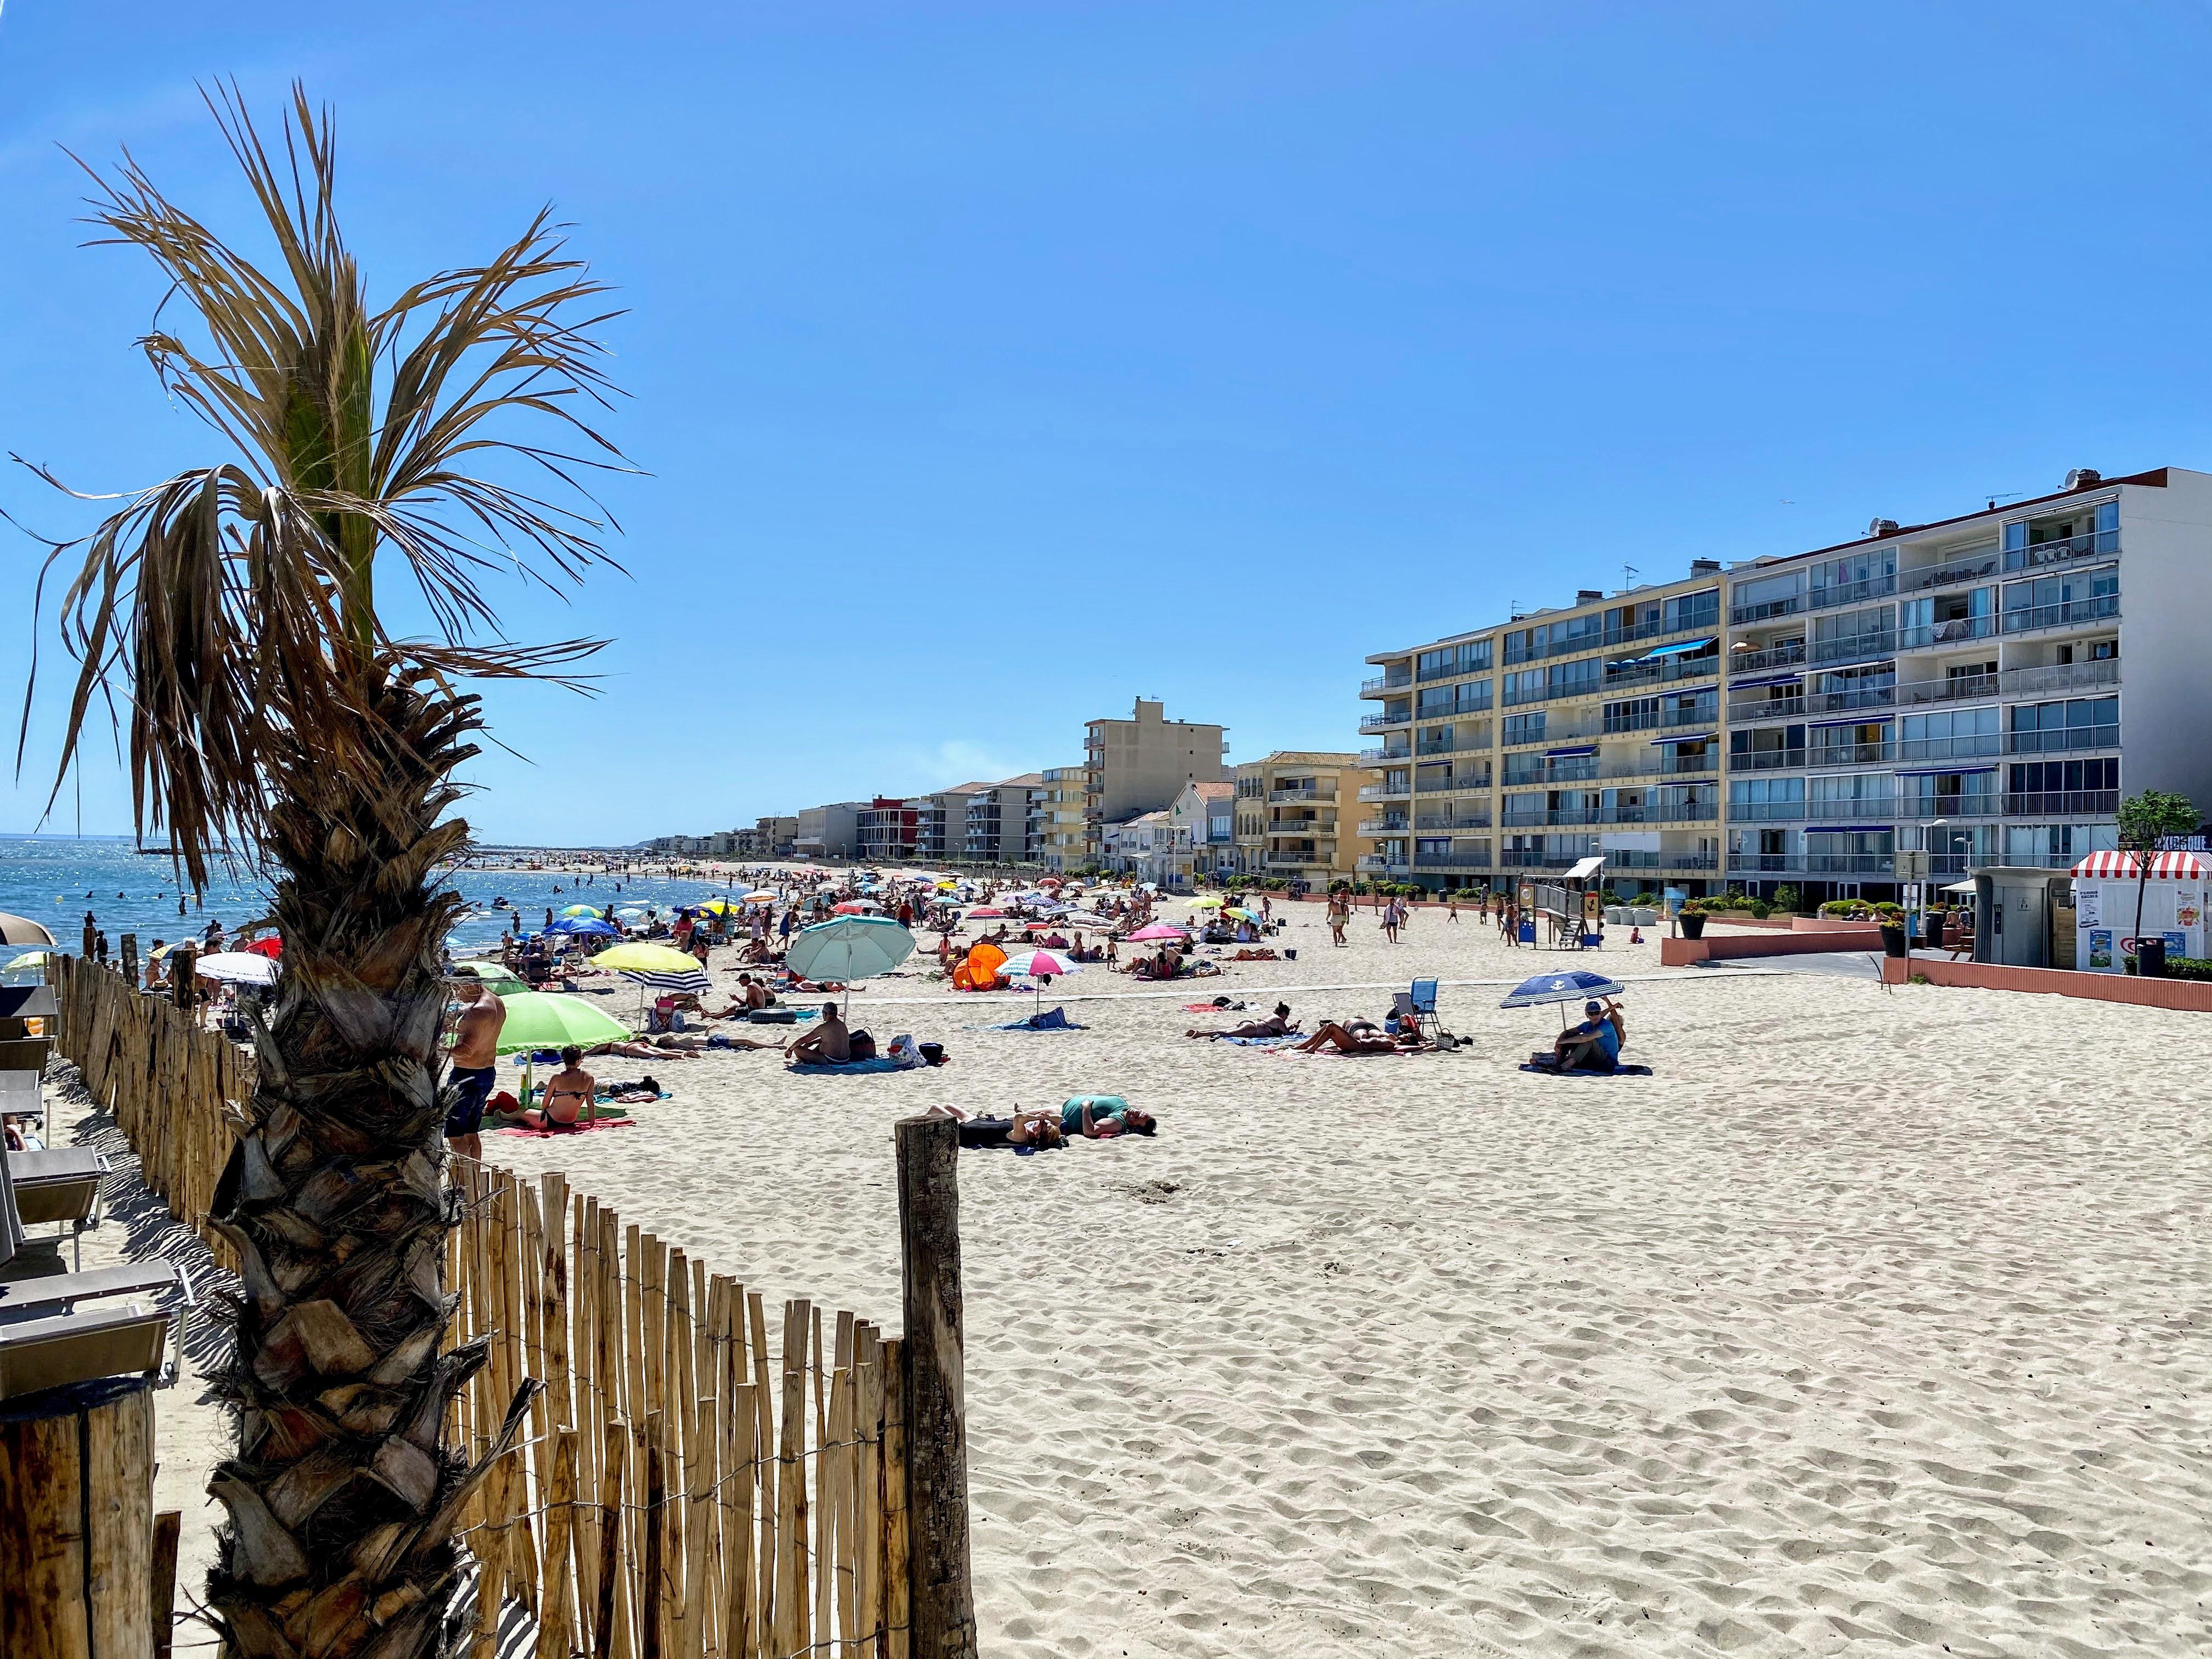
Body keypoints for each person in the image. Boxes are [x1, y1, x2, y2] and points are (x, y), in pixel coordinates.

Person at [444, 979, 507, 1162]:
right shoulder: (497, 1002)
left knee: (455, 1133)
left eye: (459, 989)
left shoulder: (477, 1011)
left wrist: (440, 1049)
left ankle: (466, 1184)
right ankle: (474, 1181)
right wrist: (459, 1029)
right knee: (471, 1131)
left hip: (466, 1075)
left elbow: (466, 1051)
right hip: (487, 1072)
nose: (458, 995)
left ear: (471, 985)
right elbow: (480, 1035)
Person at [516, 1046, 596, 1131]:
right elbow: (590, 1102)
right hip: (571, 1121)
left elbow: (544, 1105)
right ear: (578, 1060)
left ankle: (504, 1116)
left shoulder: (557, 1078)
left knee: (521, 1113)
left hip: (550, 1120)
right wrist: (592, 1125)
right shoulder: (589, 1078)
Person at [924, 1103, 1064, 1149]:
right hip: (977, 1122)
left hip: (968, 1132)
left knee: (935, 1108)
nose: (1042, 1122)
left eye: (1043, 1125)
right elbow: (1059, 1118)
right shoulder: (1029, 1128)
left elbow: (1018, 1117)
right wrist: (1047, 1118)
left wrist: (1037, 1118)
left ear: (1038, 1135)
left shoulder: (1023, 1137)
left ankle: (918, 1135)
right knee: (948, 1106)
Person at [1549, 998, 1626, 1072]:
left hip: (1607, 1063)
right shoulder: (1588, 1025)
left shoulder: (1608, 1026)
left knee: (1588, 1040)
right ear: (1587, 1015)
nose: (1594, 1016)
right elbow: (1567, 1032)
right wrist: (1559, 1042)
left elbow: (1616, 1021)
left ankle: (1565, 1067)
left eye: (1597, 1013)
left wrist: (1564, 1041)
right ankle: (1560, 1059)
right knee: (1571, 1035)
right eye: (1591, 1014)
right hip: (1592, 1057)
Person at [1293, 1018, 1424, 1055]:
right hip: (1356, 1043)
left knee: (1332, 1027)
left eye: (1405, 1035)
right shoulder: (1392, 1039)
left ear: (1407, 1040)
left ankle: (1310, 1049)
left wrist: (1424, 1047)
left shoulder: (1395, 1046)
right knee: (1328, 1027)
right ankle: (1304, 1046)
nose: (1402, 1035)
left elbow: (1413, 1048)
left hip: (1357, 1045)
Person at [787, 1002, 853, 1064]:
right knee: (821, 1044)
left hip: (831, 1060)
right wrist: (812, 1043)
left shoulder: (824, 1027)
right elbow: (832, 1039)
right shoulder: (843, 1025)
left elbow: (803, 1040)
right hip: (845, 1059)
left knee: (797, 1049)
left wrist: (790, 1049)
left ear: (825, 1013)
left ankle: (805, 1063)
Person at [1187, 1002, 1295, 1040]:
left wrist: (1290, 1028)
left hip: (1250, 1023)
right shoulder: (1279, 1019)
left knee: (1223, 1031)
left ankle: (1199, 1032)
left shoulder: (1273, 1016)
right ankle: (1199, 1034)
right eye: (1286, 1017)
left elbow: (1281, 1030)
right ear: (1283, 1014)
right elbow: (1287, 1034)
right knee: (1226, 1034)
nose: (1286, 1019)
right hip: (1254, 1029)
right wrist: (1293, 1029)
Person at [1059, 1097, 1156, 1138]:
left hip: (1064, 1117)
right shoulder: (1122, 1103)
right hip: (1064, 1106)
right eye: (1139, 1112)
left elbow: (1090, 1131)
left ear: (1135, 1127)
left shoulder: (1117, 1122)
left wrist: (1086, 1108)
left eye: (1136, 1118)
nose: (1135, 1113)